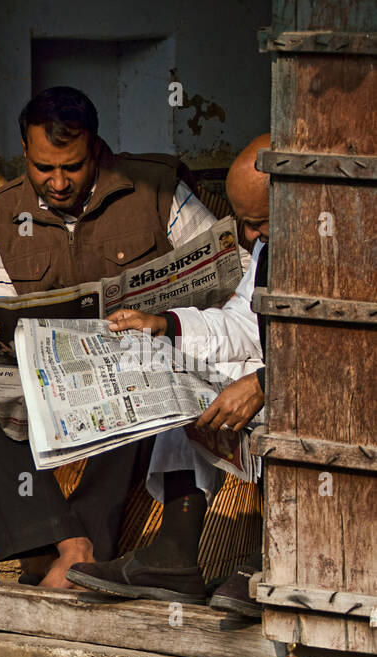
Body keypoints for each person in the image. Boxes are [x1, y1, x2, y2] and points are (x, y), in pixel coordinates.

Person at [0, 86, 218, 587]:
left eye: (73, 166)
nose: (58, 182)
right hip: (51, 378)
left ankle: (80, 552)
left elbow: (224, 280)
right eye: (44, 168)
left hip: (142, 367)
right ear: (24, 153)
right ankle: (67, 541)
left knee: (131, 368)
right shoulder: (0, 216)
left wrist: (163, 320)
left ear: (97, 150)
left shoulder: (157, 187)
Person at [67, 135, 271, 610]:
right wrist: (165, 325)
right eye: (246, 225)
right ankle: (175, 553)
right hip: (280, 366)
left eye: (259, 222)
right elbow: (246, 321)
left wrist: (265, 384)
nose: (252, 236)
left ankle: (281, 558)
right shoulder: (270, 245)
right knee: (181, 372)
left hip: (337, 395)